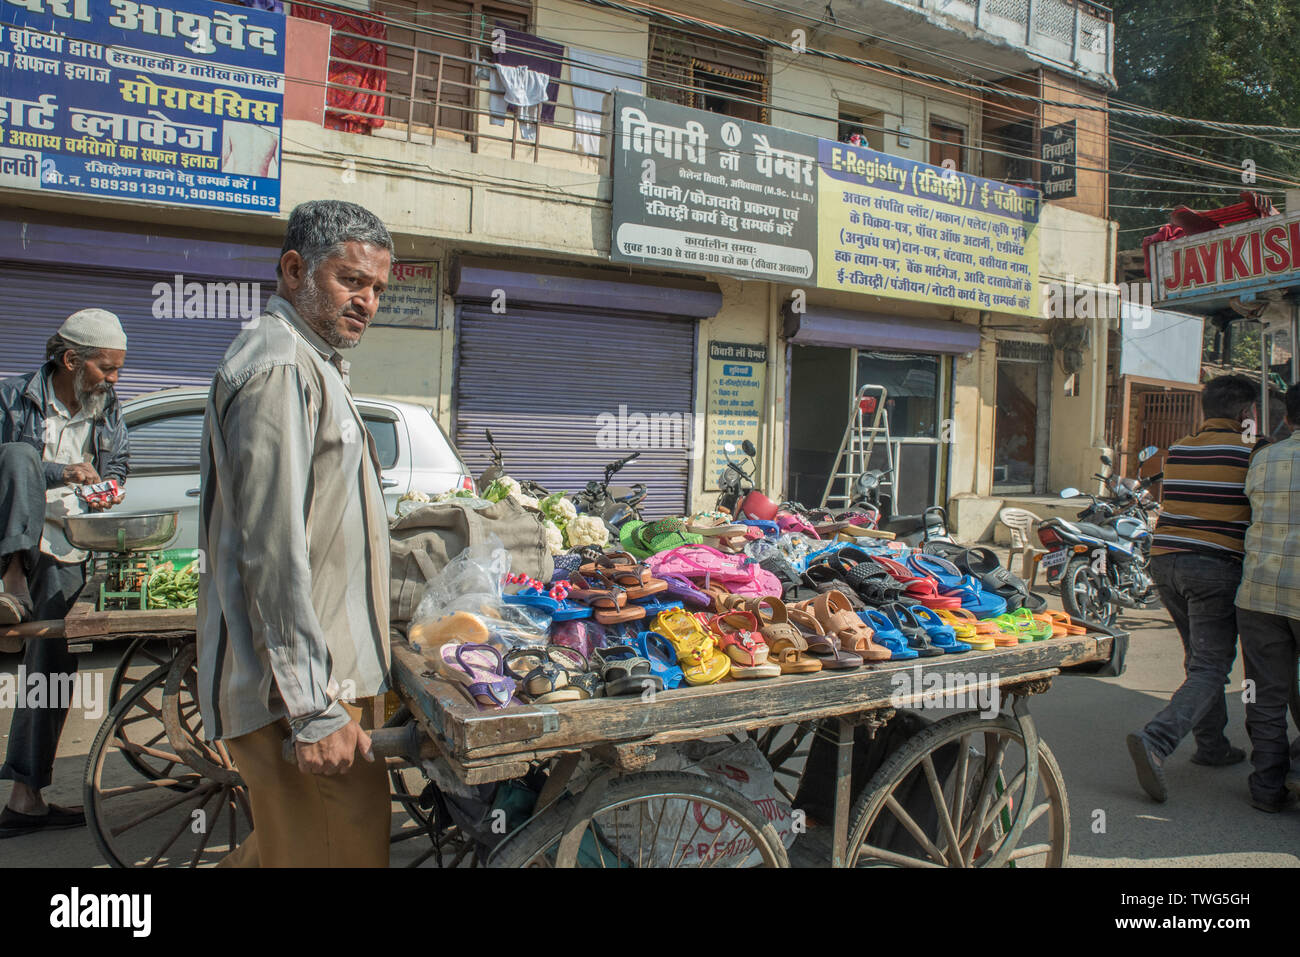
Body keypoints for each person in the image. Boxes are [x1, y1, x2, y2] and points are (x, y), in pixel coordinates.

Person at [197, 200, 394, 867]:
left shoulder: (312, 362)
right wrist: (312, 709)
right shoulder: (280, 366)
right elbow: (272, 554)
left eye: (377, 289)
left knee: (285, 850)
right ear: (294, 270)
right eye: (351, 280)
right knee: (342, 850)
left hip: (317, 682)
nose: (367, 301)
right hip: (297, 696)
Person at [0, 310, 128, 839]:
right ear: (71, 360)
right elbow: (10, 465)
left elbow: (118, 466)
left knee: (49, 672)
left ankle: (25, 798)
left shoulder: (107, 407)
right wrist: (61, 471)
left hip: (65, 546)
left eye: (118, 369)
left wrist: (109, 487)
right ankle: (8, 581)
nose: (114, 380)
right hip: (14, 542)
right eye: (106, 368)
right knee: (19, 455)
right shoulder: (13, 399)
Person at [1126, 374, 1259, 802]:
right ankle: (1158, 740)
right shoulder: (1251, 452)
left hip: (1165, 563)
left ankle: (1213, 747)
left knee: (1199, 659)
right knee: (1211, 665)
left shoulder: (1180, 449)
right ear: (1245, 413)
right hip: (1214, 565)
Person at [1235, 382, 1300, 813]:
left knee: (1262, 694)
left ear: (1289, 417)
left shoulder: (1263, 457)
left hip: (1258, 594)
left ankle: (1267, 787)